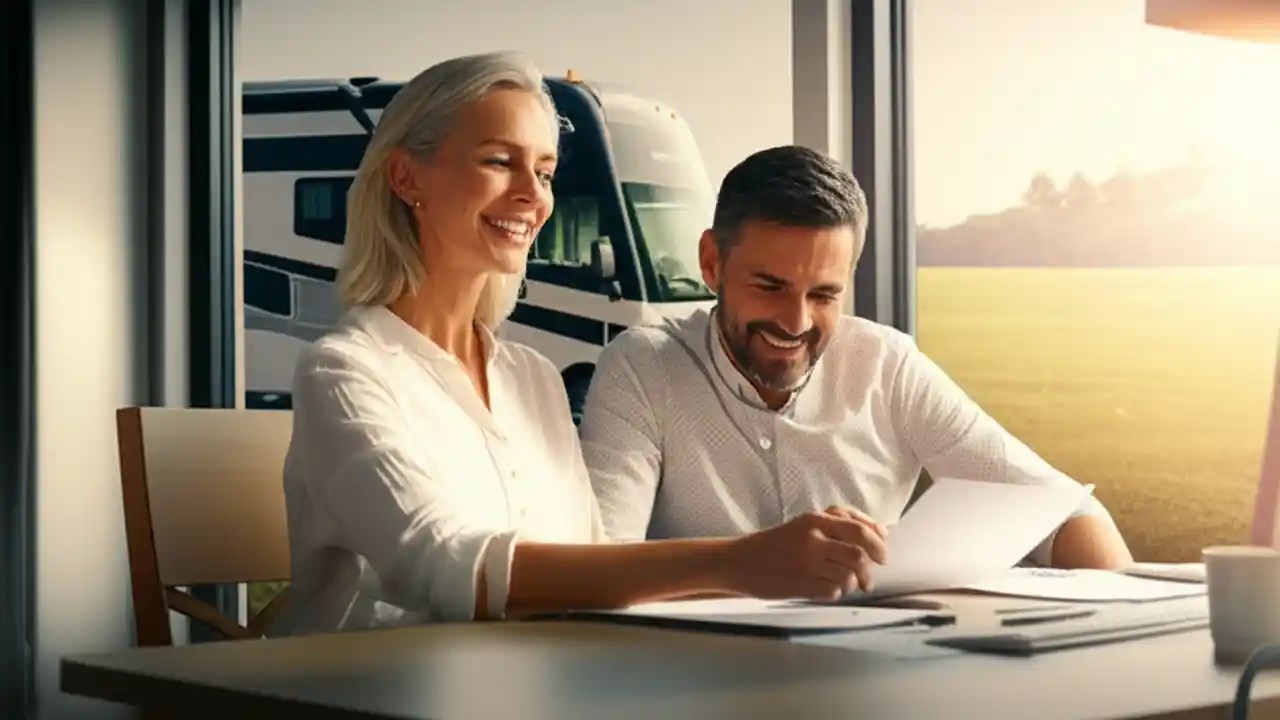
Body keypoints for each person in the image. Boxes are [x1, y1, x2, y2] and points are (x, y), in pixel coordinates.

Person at [276, 53, 891, 637]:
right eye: (499, 161)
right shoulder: (345, 372)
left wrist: (796, 588)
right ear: (407, 175)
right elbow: (443, 566)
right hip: (363, 693)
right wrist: (737, 561)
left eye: (543, 172)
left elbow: (590, 567)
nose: (533, 194)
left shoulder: (532, 377)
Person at [580, 144, 1134, 572]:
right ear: (711, 262)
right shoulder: (642, 367)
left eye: (823, 296)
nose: (796, 323)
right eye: (770, 286)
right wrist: (753, 565)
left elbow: (1063, 512)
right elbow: (596, 565)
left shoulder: (886, 365)